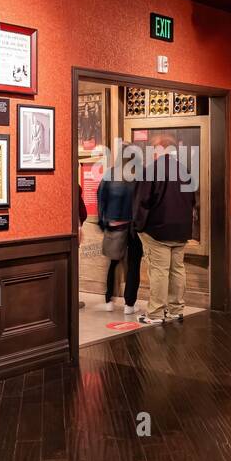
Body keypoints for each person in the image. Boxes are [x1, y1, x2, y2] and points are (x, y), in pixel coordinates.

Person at [133, 134, 195, 325]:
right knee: (177, 269)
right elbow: (192, 201)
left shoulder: (151, 171)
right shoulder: (185, 171)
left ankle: (156, 313)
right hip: (181, 231)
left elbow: (142, 203)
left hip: (157, 230)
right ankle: (176, 309)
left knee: (159, 270)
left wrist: (138, 227)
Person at [96, 144, 143, 316]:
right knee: (133, 266)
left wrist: (103, 222)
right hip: (134, 229)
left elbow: (100, 197)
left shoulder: (110, 174)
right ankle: (129, 305)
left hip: (114, 226)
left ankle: (109, 300)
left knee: (113, 263)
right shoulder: (140, 174)